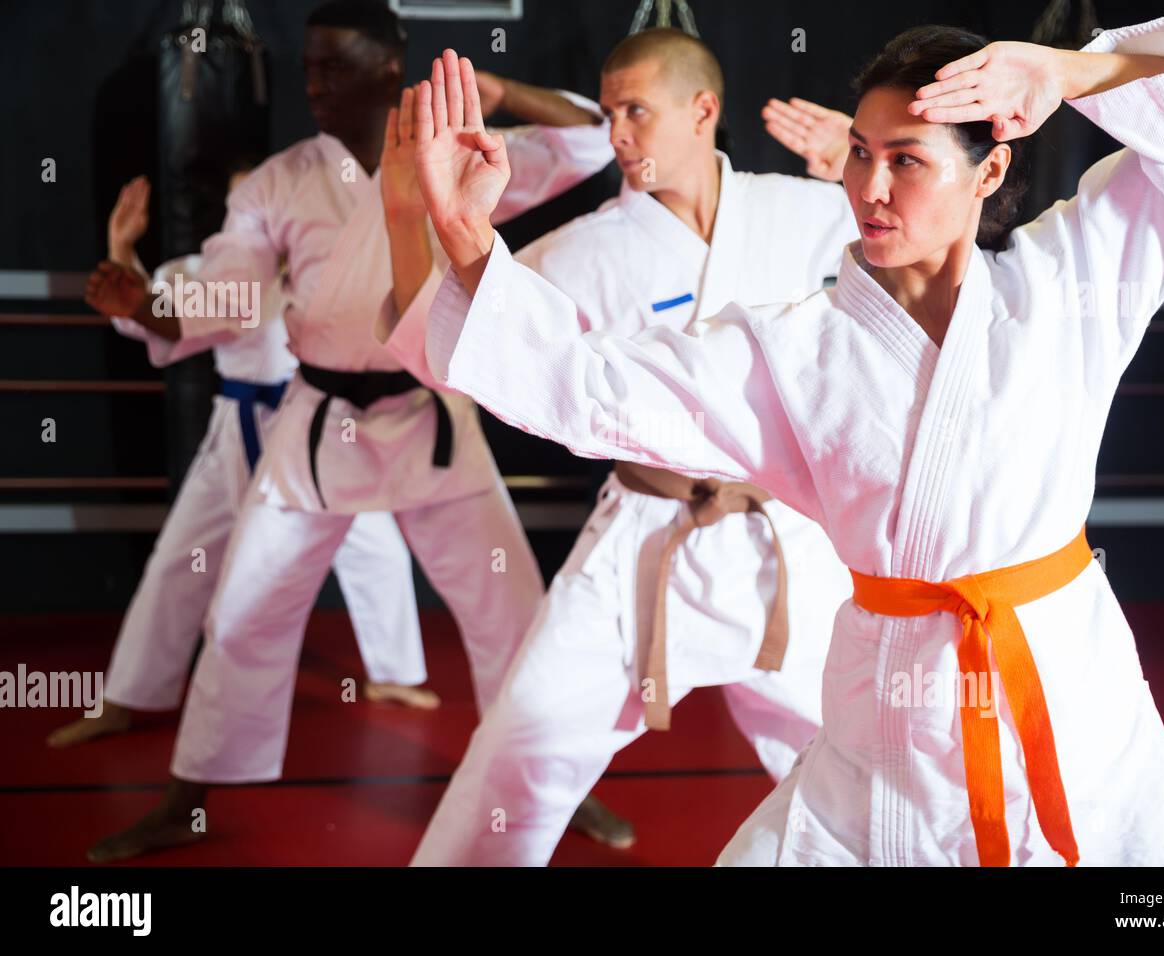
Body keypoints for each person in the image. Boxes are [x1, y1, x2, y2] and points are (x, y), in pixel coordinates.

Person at [406, 8, 1164, 866]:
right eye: (860, 154)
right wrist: (467, 235)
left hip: (1062, 692)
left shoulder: (1070, 276)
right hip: (882, 714)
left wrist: (1066, 72)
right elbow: (592, 388)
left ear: (990, 169)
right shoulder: (793, 351)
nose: (869, 189)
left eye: (907, 161)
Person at [79, 0, 623, 862]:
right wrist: (145, 305)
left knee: (512, 610)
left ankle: (555, 790)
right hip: (319, 427)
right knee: (244, 614)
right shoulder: (280, 181)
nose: (314, 84)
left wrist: (501, 87)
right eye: (307, 67)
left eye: (335, 65)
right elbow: (226, 298)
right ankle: (186, 797)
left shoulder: (469, 156)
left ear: (388, 63)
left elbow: (594, 141)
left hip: (431, 416)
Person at [380, 27, 856, 866]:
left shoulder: (803, 211)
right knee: (520, 751)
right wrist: (411, 215)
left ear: (703, 110)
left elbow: (941, 242)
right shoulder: (584, 248)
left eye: (637, 109)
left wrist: (855, 158)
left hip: (788, 542)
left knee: (865, 761)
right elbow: (449, 346)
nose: (618, 134)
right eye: (607, 114)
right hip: (645, 538)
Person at [59, 164, 437, 750]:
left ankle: (394, 673)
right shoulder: (211, 277)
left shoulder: (324, 268)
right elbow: (144, 314)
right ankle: (125, 696)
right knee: (180, 561)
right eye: (244, 205)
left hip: (316, 428)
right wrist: (121, 248)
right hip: (235, 433)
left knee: (377, 547)